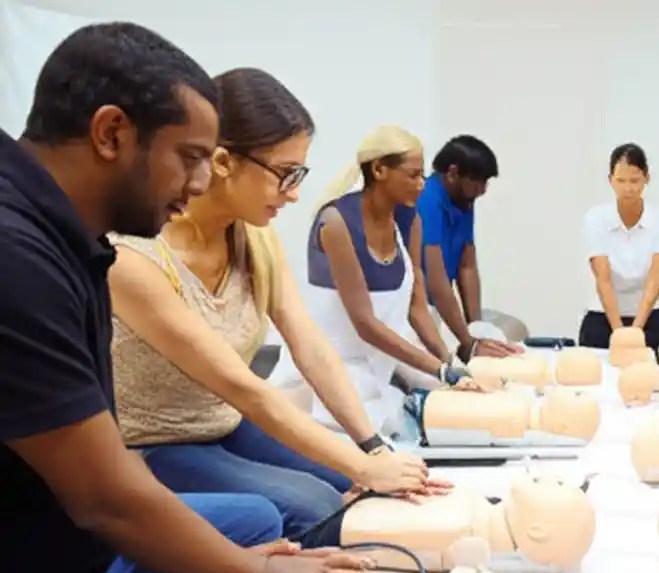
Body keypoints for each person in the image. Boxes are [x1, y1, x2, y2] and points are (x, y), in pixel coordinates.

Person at [0, 22, 379, 573]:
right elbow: (106, 498)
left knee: (256, 517)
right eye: (191, 158)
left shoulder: (66, 233)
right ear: (112, 134)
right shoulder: (18, 259)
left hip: (71, 544)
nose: (203, 180)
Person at [108, 68, 446, 546]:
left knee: (347, 486)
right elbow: (241, 386)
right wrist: (366, 464)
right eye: (285, 175)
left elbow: (308, 342)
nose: (294, 193)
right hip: (151, 445)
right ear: (223, 161)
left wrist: (370, 447)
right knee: (313, 504)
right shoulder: (134, 256)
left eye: (299, 174)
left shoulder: (256, 237)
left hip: (224, 426)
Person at [268, 125, 475, 435]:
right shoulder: (337, 223)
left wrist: (451, 365)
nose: (422, 185)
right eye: (413, 175)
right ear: (379, 169)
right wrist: (440, 370)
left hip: (373, 373)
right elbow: (365, 324)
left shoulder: (409, 220)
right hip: (322, 381)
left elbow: (417, 310)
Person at [417, 134, 521, 359]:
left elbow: (467, 265)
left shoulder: (463, 201)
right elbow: (436, 279)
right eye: (478, 181)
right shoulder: (427, 199)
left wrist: (476, 328)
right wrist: (468, 342)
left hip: (437, 306)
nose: (483, 190)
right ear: (453, 173)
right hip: (415, 309)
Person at [579, 143, 659, 350]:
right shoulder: (596, 218)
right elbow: (603, 278)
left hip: (652, 316)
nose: (628, 188)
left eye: (635, 180)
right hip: (603, 317)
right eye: (621, 181)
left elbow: (656, 276)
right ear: (610, 181)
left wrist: (635, 331)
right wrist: (618, 332)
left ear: (646, 179)